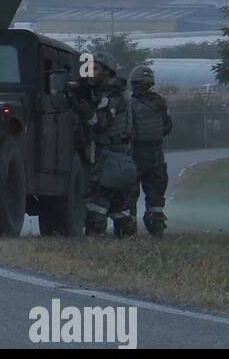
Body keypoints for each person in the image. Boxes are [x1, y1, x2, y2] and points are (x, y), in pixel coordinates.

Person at [69, 52, 136, 237]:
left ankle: (95, 242)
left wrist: (81, 106)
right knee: (117, 206)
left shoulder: (112, 95)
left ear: (107, 72)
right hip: (119, 156)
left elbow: (100, 123)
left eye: (95, 69)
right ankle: (128, 237)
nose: (91, 72)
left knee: (96, 204)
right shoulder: (114, 91)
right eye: (89, 68)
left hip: (109, 156)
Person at [127, 65, 172, 236]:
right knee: (156, 194)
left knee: (130, 194)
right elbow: (168, 127)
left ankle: (128, 228)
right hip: (156, 155)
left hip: (135, 154)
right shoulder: (160, 103)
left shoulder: (129, 104)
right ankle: (156, 224)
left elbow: (126, 129)